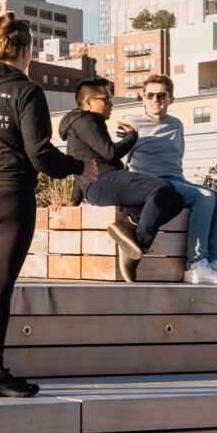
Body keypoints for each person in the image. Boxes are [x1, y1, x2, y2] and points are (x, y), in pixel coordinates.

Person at [0, 16, 85, 397]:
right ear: (26, 51)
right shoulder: (27, 91)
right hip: (8, 195)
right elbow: (40, 153)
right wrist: (78, 166)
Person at [59, 78, 185, 284]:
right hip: (103, 182)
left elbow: (79, 165)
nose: (111, 103)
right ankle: (138, 244)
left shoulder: (87, 123)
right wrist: (132, 136)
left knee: (177, 200)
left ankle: (131, 227)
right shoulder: (84, 121)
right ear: (89, 103)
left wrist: (74, 200)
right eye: (106, 99)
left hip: (102, 182)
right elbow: (109, 153)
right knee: (163, 188)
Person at [123, 75, 217, 286]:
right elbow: (116, 157)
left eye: (161, 95)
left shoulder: (176, 124)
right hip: (152, 184)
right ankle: (196, 265)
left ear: (171, 99)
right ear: (143, 98)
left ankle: (214, 264)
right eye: (150, 95)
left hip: (177, 180)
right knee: (204, 197)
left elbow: (174, 163)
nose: (155, 100)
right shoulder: (131, 123)